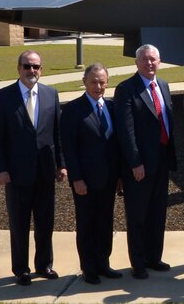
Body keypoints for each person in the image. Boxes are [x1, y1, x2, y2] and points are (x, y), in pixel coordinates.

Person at [0, 50, 66, 286]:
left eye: (36, 67)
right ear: (18, 68)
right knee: (19, 224)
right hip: (16, 174)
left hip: (45, 172)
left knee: (45, 224)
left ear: (41, 69)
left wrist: (62, 165)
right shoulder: (3, 97)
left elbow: (57, 134)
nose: (32, 71)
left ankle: (44, 265)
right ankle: (21, 269)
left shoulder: (51, 94)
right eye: (27, 66)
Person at [114, 44, 177, 280]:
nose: (149, 64)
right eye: (144, 60)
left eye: (153, 60)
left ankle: (154, 257)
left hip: (162, 162)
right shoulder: (126, 89)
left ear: (159, 61)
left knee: (157, 213)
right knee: (138, 215)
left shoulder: (163, 85)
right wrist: (135, 162)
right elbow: (126, 131)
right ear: (137, 63)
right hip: (139, 166)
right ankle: (138, 263)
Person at [60, 63, 122, 285]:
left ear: (107, 83)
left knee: (105, 222)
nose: (98, 86)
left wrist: (120, 177)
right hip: (84, 181)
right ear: (84, 82)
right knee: (86, 224)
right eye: (94, 81)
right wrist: (76, 178)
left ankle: (103, 263)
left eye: (102, 82)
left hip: (108, 179)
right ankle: (89, 268)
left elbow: (117, 146)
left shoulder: (113, 107)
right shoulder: (72, 110)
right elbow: (69, 148)